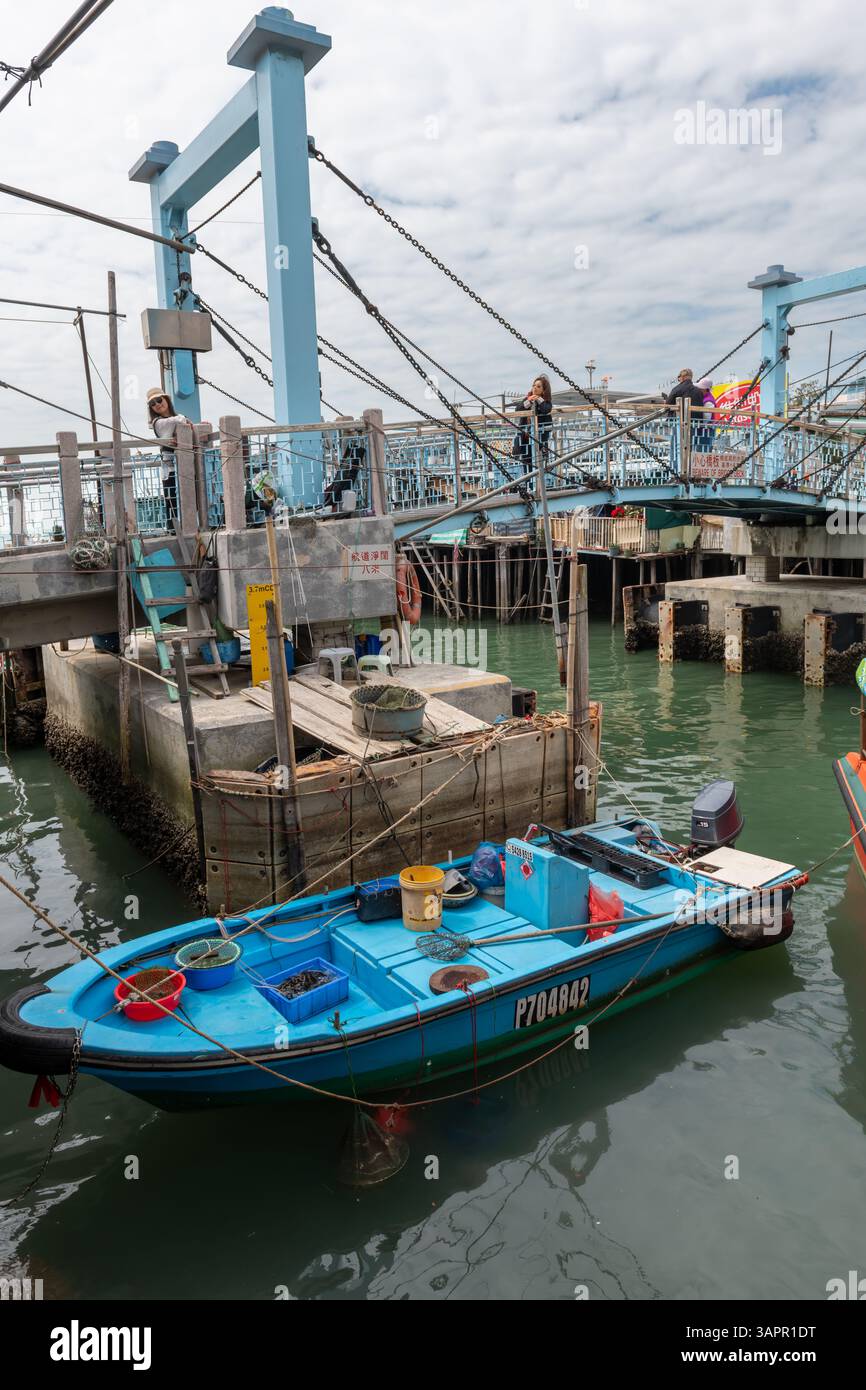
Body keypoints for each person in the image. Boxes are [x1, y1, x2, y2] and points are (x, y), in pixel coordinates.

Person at [147, 387, 190, 530]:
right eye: (153, 403)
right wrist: (187, 422)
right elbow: (179, 420)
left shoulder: (174, 418)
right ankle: (174, 532)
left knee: (188, 501)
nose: (157, 404)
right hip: (170, 469)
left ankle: (187, 528)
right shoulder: (158, 423)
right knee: (172, 504)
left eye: (159, 400)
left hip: (185, 466)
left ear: (166, 399)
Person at [510, 374, 553, 476]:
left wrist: (538, 399)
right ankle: (529, 483)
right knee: (526, 459)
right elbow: (518, 409)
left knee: (537, 459)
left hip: (539, 435)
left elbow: (546, 409)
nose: (535, 388)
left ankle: (538, 482)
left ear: (543, 390)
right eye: (534, 385)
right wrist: (529, 401)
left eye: (538, 386)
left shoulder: (546, 401)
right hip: (525, 435)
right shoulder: (528, 398)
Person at [695, 377, 716, 452]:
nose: (698, 390)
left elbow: (706, 419)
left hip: (705, 432)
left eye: (700, 389)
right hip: (704, 432)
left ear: (705, 389)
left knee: (703, 453)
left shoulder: (708, 401)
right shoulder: (706, 398)